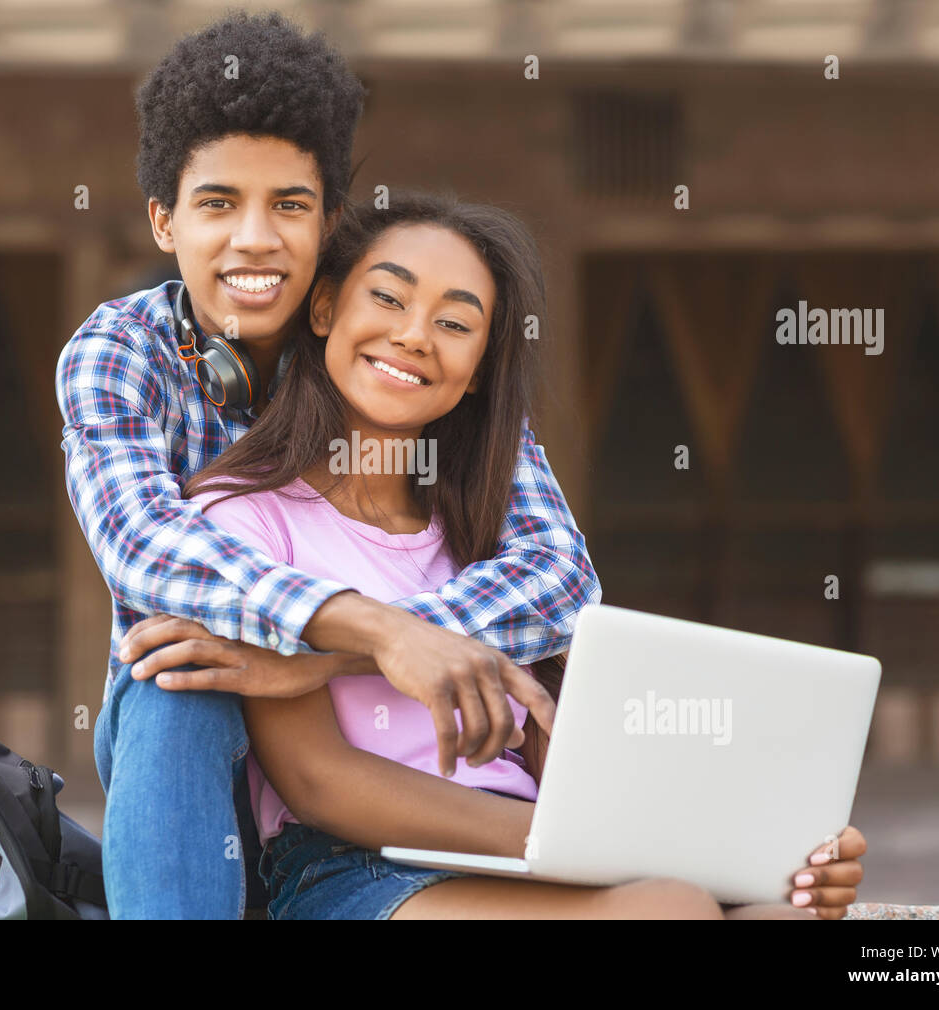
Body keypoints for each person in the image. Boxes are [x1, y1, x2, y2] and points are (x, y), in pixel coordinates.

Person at [124, 192, 868, 919]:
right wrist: (585, 848)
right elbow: (317, 781)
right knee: (668, 906)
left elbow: (560, 752)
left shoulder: (492, 542)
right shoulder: (242, 520)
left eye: (454, 322)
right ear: (324, 310)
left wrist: (766, 862)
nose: (416, 335)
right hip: (356, 872)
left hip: (535, 854)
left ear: (478, 367)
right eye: (388, 299)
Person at [56, 11, 600, 919]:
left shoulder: (392, 350)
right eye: (218, 204)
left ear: (330, 221)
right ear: (164, 220)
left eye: (291, 206)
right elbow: (145, 546)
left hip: (369, 751)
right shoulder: (122, 349)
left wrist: (328, 662)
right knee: (179, 673)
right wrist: (381, 636)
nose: (257, 240)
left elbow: (557, 577)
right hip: (197, 753)